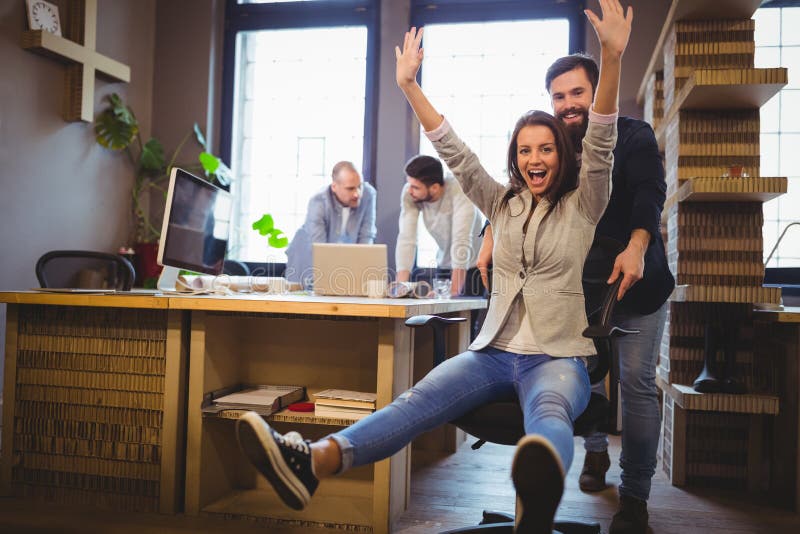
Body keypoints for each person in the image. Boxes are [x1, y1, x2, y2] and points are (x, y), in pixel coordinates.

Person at [235, 2, 632, 532]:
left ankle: (539, 498)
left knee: (550, 414)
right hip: (494, 353)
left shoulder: (584, 203)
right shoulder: (503, 204)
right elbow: (456, 152)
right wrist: (408, 86)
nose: (535, 159)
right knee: (416, 399)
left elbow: (601, 142)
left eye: (545, 149)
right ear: (516, 159)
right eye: (524, 151)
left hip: (558, 354)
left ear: (561, 154)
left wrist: (611, 56)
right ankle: (314, 461)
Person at [476, 51, 675, 534]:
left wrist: (637, 246)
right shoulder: (555, 145)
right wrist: (490, 233)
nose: (568, 104)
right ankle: (595, 453)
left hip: (636, 281)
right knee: (584, 377)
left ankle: (634, 496)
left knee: (636, 385)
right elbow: (517, 192)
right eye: (558, 96)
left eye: (577, 92)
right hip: (579, 287)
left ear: (597, 91)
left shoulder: (633, 135)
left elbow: (650, 193)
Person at [396, 154, 483, 297]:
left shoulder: (460, 189)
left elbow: (461, 239)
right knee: (438, 308)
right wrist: (400, 288)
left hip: (474, 264)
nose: (409, 190)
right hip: (445, 262)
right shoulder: (410, 194)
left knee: (460, 307)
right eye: (409, 184)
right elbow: (406, 239)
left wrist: (453, 293)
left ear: (435, 188)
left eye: (415, 187)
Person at [284, 161, 377, 284]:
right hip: (307, 256)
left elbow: (366, 235)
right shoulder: (318, 201)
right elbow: (319, 248)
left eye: (360, 186)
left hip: (342, 258)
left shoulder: (368, 194)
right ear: (334, 187)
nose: (357, 193)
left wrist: (359, 269)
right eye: (350, 188)